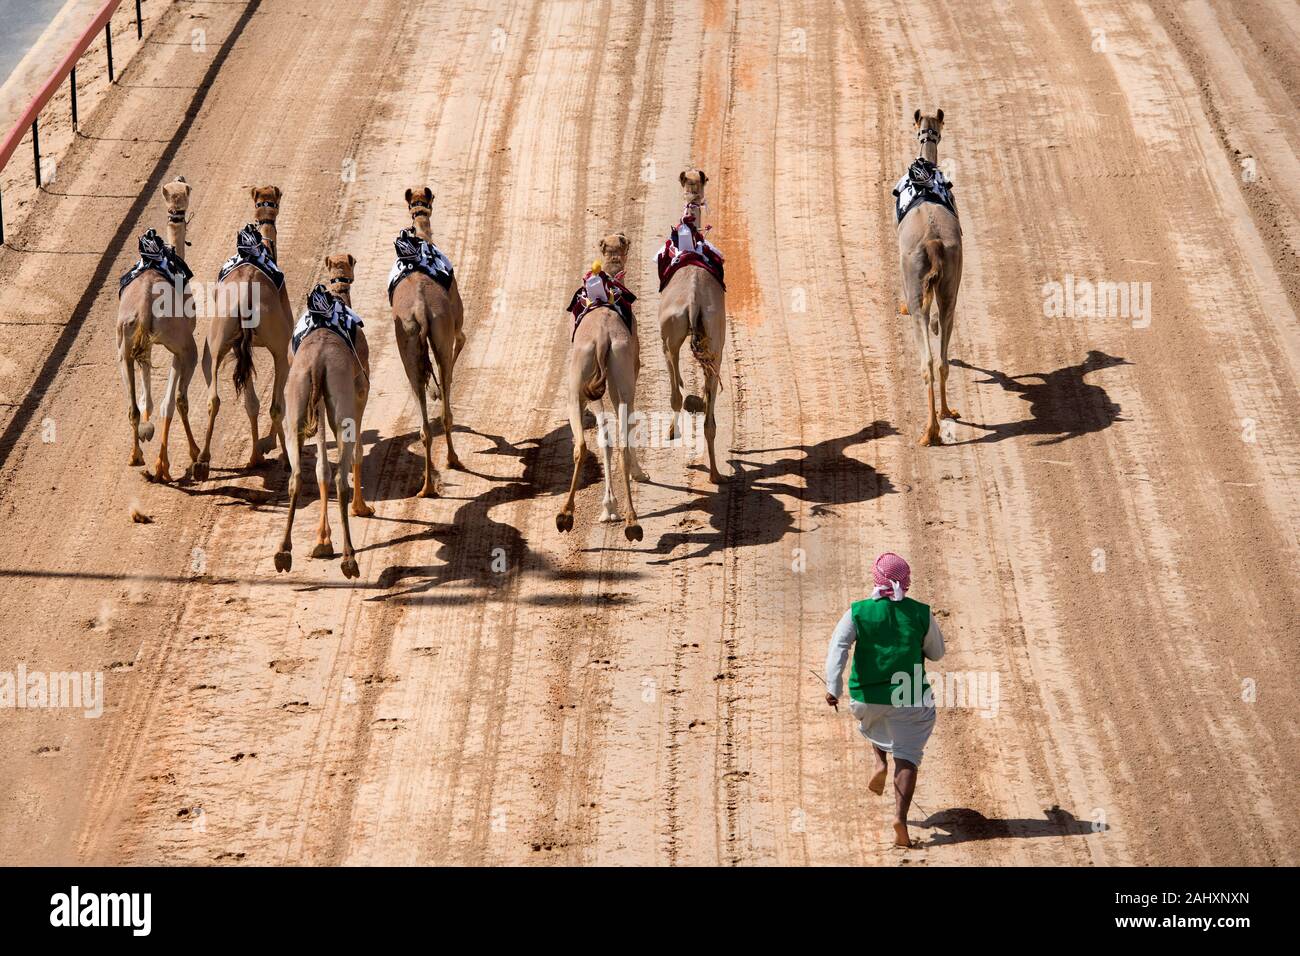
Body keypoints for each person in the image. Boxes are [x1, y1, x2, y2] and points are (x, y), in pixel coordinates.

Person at [825, 552, 945, 847]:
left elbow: (838, 647)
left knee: (877, 719)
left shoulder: (857, 611)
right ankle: (900, 819)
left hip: (866, 697)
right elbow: (937, 654)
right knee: (907, 757)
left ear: (875, 580)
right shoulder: (921, 612)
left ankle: (880, 763)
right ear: (907, 581)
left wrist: (833, 686)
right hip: (910, 697)